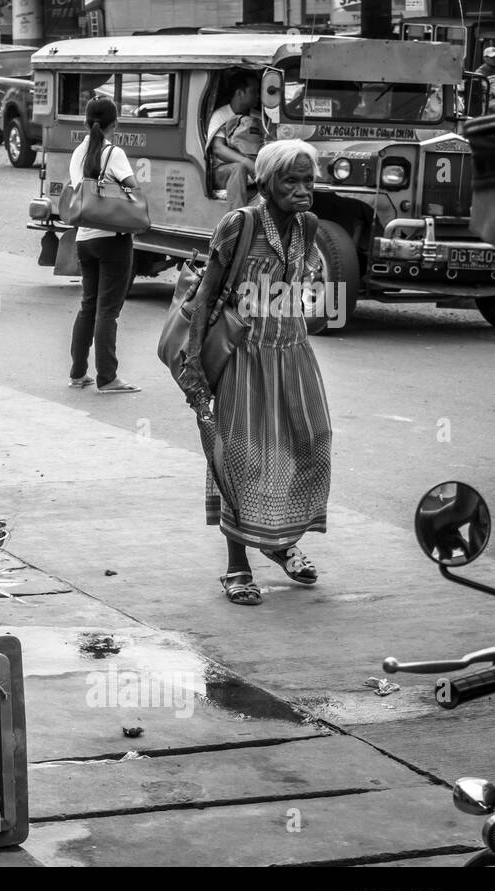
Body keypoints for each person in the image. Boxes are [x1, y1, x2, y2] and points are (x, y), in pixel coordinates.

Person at [177, 139, 332, 606]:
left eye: (308, 179)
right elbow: (205, 296)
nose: (303, 189)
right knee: (242, 458)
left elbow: (306, 287)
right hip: (244, 355)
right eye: (291, 180)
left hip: (293, 351)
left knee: (310, 444)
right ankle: (237, 565)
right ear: (266, 182)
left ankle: (281, 542)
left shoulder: (308, 224)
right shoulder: (239, 223)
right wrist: (192, 361)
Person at [66, 96, 140, 394]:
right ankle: (108, 378)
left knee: (88, 306)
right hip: (112, 238)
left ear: (87, 121)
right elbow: (133, 189)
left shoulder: (78, 153)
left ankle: (77, 372)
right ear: (115, 123)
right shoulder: (114, 153)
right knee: (108, 310)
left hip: (84, 238)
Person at [208, 72, 261, 210]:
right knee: (238, 168)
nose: (258, 96)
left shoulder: (258, 118)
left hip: (254, 170)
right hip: (223, 172)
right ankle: (237, 219)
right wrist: (246, 162)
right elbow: (218, 148)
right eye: (253, 91)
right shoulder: (220, 116)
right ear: (239, 93)